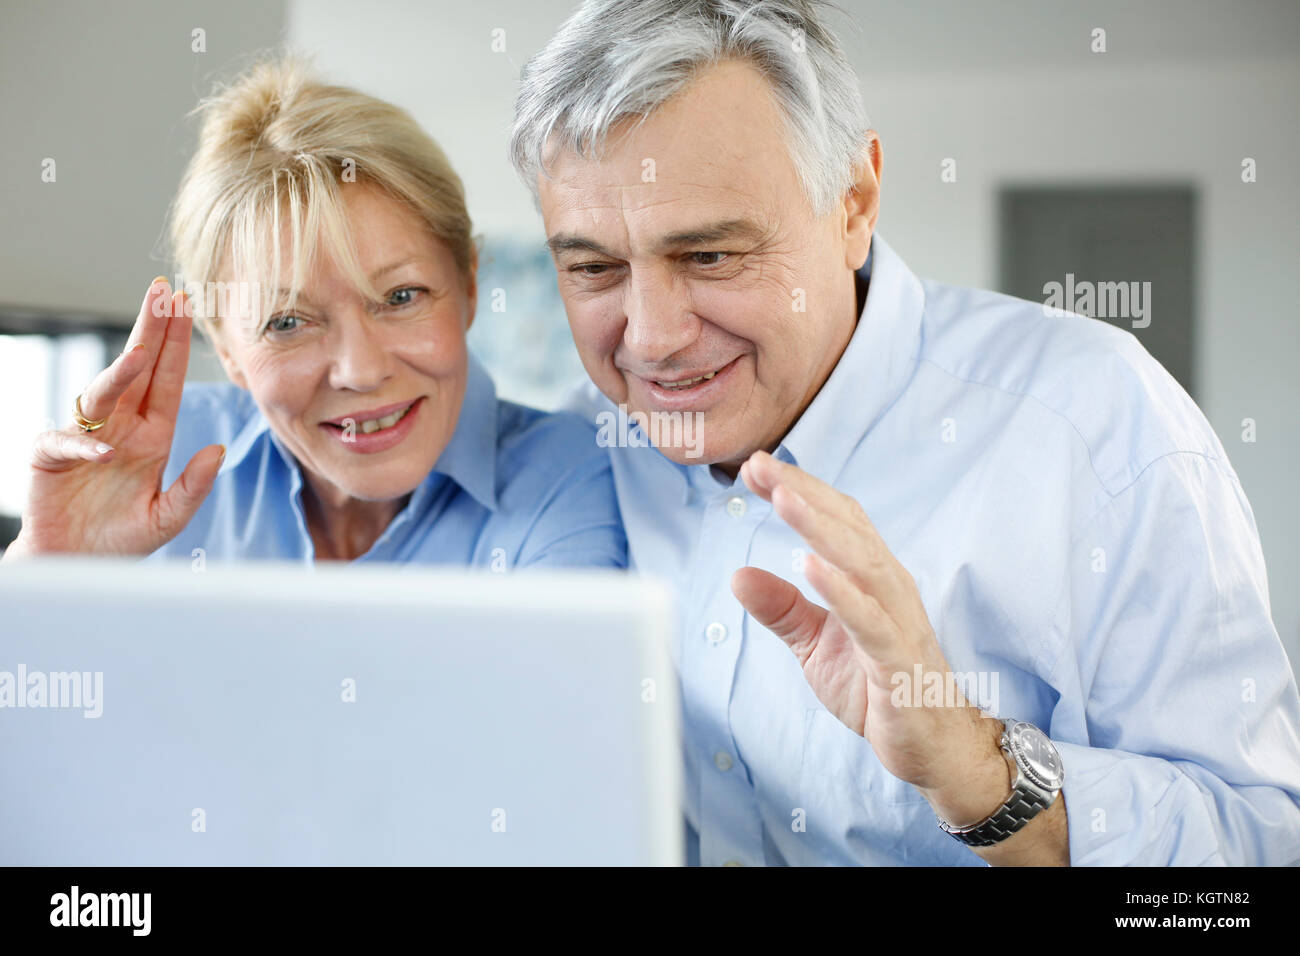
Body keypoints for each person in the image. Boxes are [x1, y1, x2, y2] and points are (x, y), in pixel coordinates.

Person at [509, 0, 1300, 865]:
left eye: (711, 257)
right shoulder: (586, 451)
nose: (651, 337)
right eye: (593, 268)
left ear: (855, 201)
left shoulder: (1092, 424)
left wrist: (976, 769)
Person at [3, 59, 625, 570]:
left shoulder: (569, 476)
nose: (359, 371)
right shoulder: (157, 456)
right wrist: (49, 572)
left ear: (467, 285)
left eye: (401, 297)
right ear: (225, 349)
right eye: (287, 322)